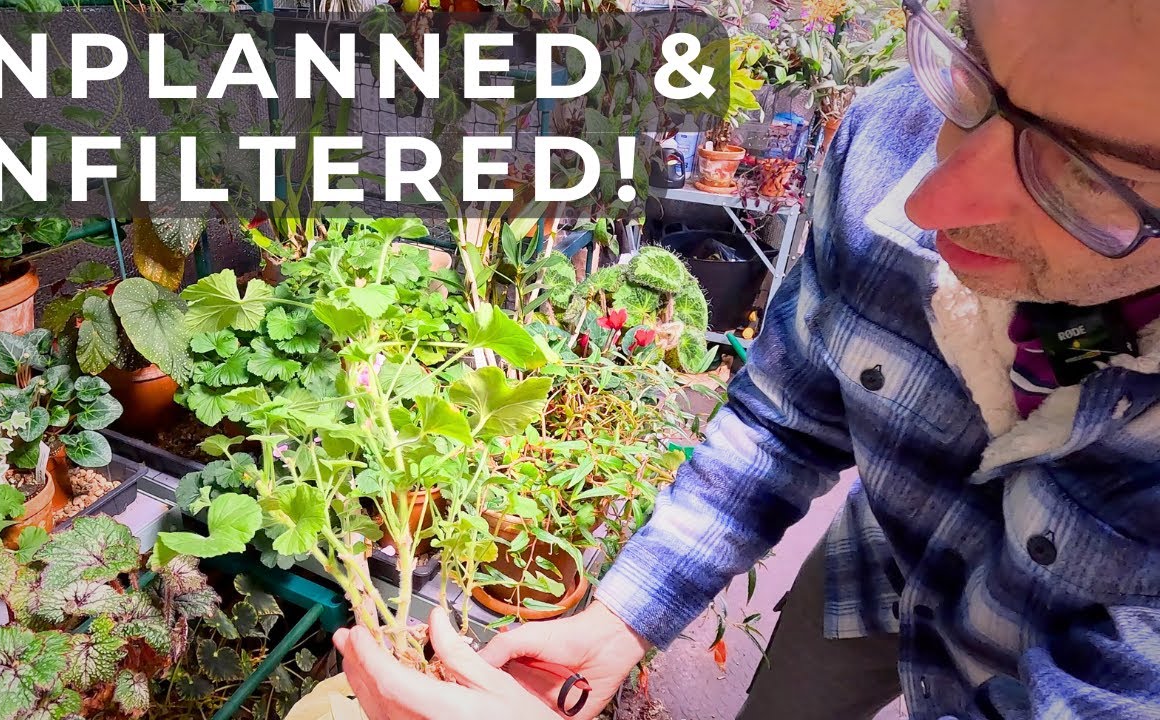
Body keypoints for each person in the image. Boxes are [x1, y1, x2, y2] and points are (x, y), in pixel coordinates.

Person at [333, 0, 1160, 717]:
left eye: (1080, 176)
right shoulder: (887, 139)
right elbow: (782, 418)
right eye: (976, 74)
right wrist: (626, 613)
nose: (927, 201)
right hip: (879, 566)